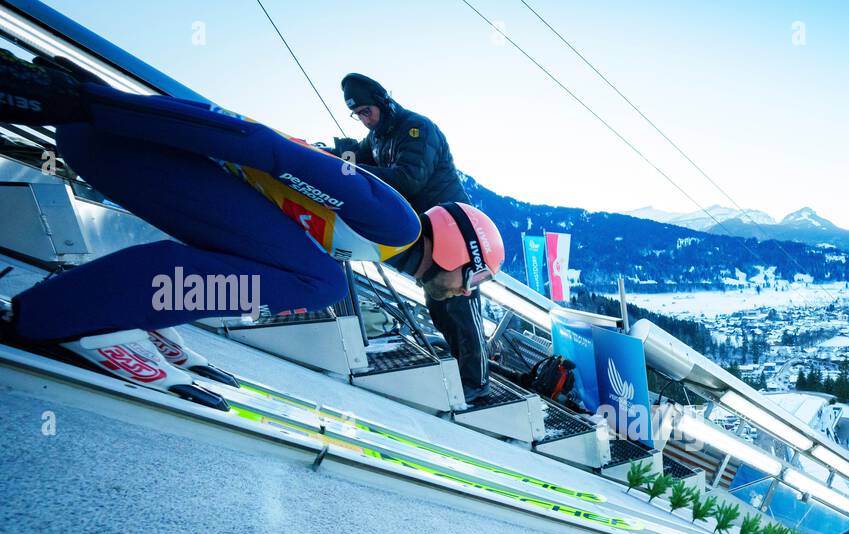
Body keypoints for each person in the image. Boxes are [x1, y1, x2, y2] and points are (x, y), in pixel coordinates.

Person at [0, 54, 503, 408]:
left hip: (134, 153)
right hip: (121, 141)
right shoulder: (394, 221)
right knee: (320, 281)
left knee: (317, 273)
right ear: (459, 251)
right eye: (472, 278)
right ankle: (70, 312)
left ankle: (127, 305)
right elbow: (265, 145)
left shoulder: (377, 239)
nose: (464, 290)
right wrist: (90, 103)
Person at [330, 73, 492, 403]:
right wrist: (345, 155)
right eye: (357, 115)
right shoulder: (377, 135)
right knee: (437, 302)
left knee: (461, 303)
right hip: (430, 235)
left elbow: (406, 180)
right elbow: (360, 163)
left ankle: (476, 384)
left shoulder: (417, 129)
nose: (364, 120)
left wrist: (350, 166)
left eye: (366, 112)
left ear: (382, 103)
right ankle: (461, 371)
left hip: (457, 230)